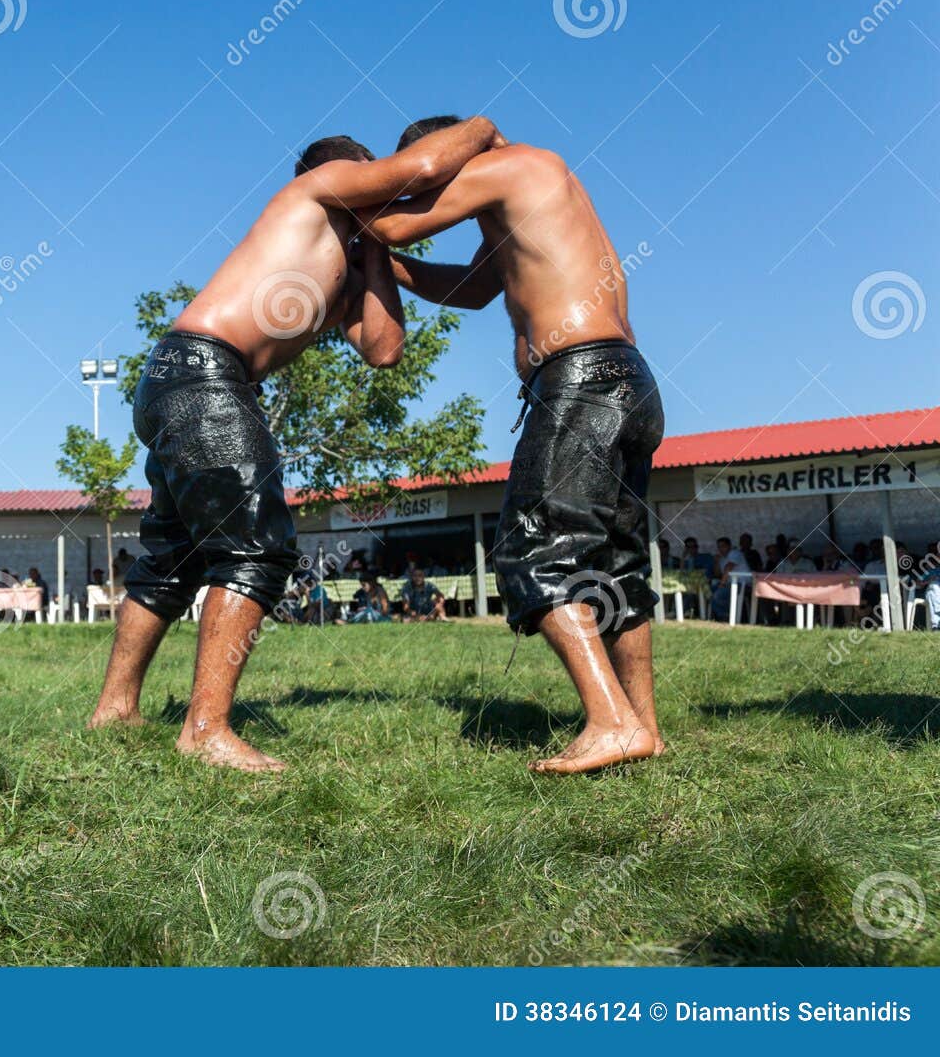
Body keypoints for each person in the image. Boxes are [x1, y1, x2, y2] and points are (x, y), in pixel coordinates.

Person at [86, 116, 502, 771]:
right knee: (258, 549)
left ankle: (114, 708)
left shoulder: (348, 258)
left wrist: (375, 253)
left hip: (182, 379)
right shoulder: (318, 188)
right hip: (204, 370)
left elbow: (386, 348)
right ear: (351, 174)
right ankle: (205, 730)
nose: (385, 197)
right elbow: (421, 170)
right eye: (373, 183)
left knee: (174, 556)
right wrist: (481, 128)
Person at [361, 114, 664, 774]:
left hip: (581, 385)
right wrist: (397, 269)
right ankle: (644, 726)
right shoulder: (535, 183)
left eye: (422, 178)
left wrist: (334, 193)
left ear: (447, 158)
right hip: (629, 383)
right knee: (617, 567)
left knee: (532, 551)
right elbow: (473, 291)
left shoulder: (504, 166)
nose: (420, 192)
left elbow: (387, 221)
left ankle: (611, 722)